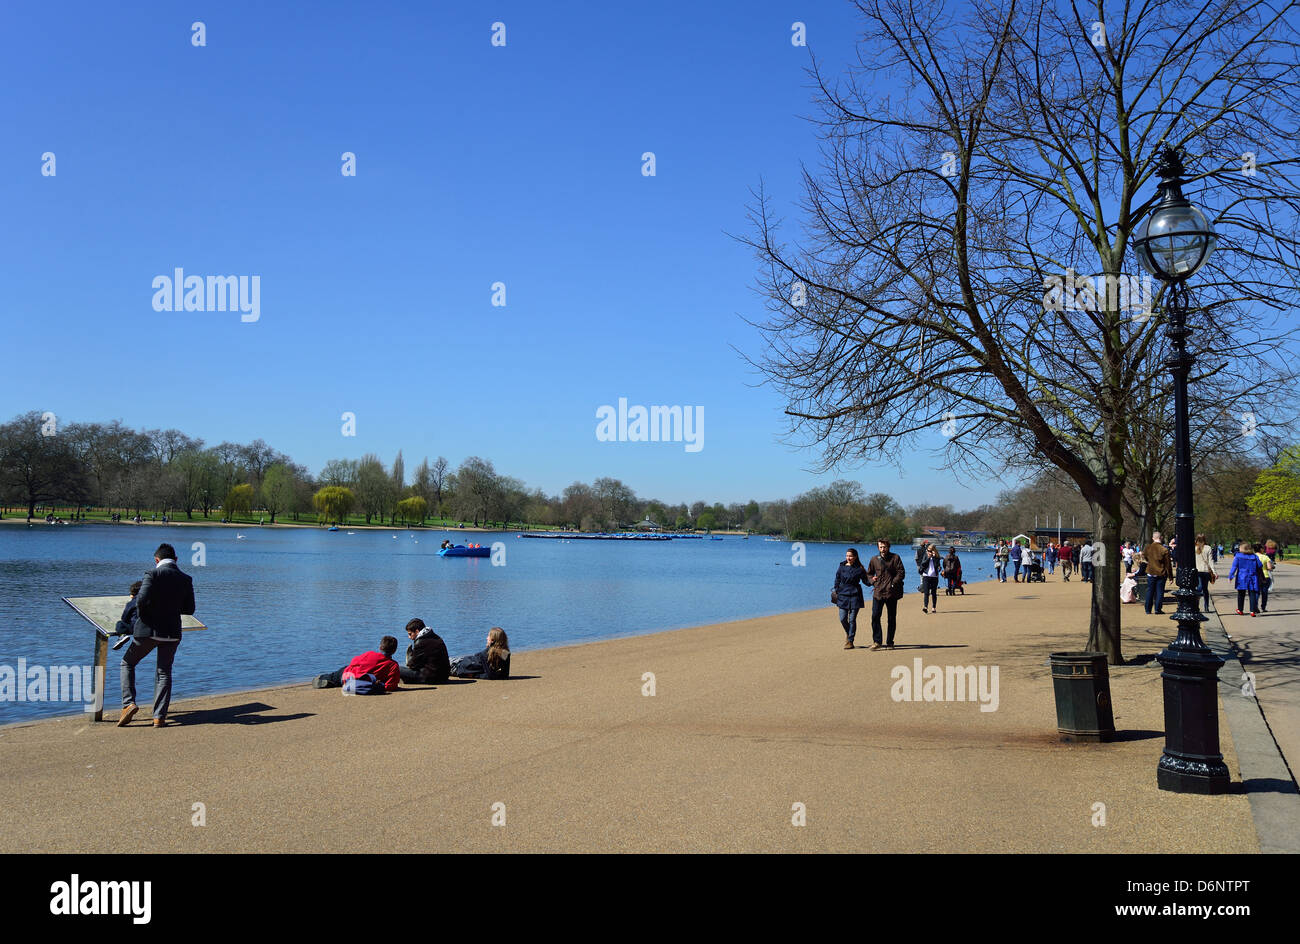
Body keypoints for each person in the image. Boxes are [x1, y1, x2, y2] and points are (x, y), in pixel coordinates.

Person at [118, 543, 195, 728]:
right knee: (164, 672)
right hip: (172, 632)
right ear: (176, 560)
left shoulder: (152, 574)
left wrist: (145, 620)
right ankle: (159, 717)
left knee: (127, 663)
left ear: (156, 560)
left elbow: (141, 601)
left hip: (148, 631)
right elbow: (189, 609)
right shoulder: (186, 578)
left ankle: (128, 704)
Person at [313, 636, 402, 692]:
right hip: (360, 683)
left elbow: (353, 662)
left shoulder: (370, 654)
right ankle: (329, 681)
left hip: (347, 675)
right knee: (338, 678)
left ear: (380, 647)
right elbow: (392, 685)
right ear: (394, 650)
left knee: (334, 675)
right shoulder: (393, 665)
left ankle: (323, 679)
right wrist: (382, 685)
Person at [865, 538, 907, 650]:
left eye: (885, 547)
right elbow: (868, 574)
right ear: (878, 547)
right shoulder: (874, 559)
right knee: (875, 617)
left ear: (889, 547)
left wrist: (893, 583)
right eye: (881, 547)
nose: (883, 549)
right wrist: (872, 581)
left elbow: (901, 572)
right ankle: (877, 641)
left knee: (891, 618)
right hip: (878, 592)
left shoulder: (895, 558)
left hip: (891, 593)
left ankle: (890, 642)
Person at [833, 548, 869, 648]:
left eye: (851, 556)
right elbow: (837, 579)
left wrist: (873, 581)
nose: (848, 558)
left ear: (855, 557)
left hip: (855, 595)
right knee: (843, 618)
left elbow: (866, 581)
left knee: (852, 619)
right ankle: (849, 634)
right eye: (847, 555)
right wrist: (837, 590)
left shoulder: (860, 568)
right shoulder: (841, 567)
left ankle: (850, 641)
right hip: (842, 595)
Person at [401, 618, 450, 684]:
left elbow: (412, 664)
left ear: (417, 631)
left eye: (410, 634)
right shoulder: (435, 636)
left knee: (397, 669)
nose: (409, 637)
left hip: (432, 677)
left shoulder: (421, 642)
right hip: (444, 675)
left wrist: (411, 657)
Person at [108, 580, 143, 651]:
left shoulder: (133, 602)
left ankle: (122, 635)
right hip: (150, 628)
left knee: (120, 623)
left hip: (135, 627)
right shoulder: (153, 600)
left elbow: (125, 617)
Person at [1142, 532, 1171, 615]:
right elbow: (1168, 564)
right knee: (1160, 592)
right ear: (1161, 538)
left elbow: (1145, 557)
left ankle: (1148, 609)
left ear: (1152, 538)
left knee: (1150, 591)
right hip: (1161, 572)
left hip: (1151, 572)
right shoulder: (1164, 549)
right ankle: (1158, 609)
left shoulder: (1148, 548)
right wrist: (1170, 576)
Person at [1229, 542, 1261, 616]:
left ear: (1243, 549)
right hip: (1252, 577)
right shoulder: (1254, 556)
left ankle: (1240, 609)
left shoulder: (1238, 556)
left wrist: (1231, 576)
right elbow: (1259, 565)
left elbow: (1234, 567)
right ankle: (1252, 611)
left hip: (1242, 577)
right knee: (1252, 593)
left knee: (1241, 593)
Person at [1193, 533, 1216, 611]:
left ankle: (1196, 605)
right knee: (1205, 589)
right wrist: (1214, 572)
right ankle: (1206, 606)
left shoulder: (1194, 548)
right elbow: (1211, 561)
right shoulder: (1208, 548)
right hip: (1206, 571)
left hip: (1197, 571)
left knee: (1199, 588)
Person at [920, 544, 941, 613]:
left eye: (930, 550)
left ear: (934, 550)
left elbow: (938, 566)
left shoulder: (937, 557)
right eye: (928, 550)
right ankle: (925, 607)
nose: (929, 551)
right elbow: (923, 564)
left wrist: (934, 558)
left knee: (934, 593)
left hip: (934, 577)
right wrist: (929, 558)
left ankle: (934, 607)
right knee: (926, 592)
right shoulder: (925, 555)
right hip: (926, 576)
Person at [1255, 543, 1274, 614]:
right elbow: (1269, 567)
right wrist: (1272, 567)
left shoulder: (1252, 556)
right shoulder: (1265, 557)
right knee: (1264, 593)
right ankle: (1263, 607)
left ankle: (1255, 606)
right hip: (1265, 576)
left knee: (1256, 592)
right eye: (1263, 548)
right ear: (1260, 549)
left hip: (1256, 576)